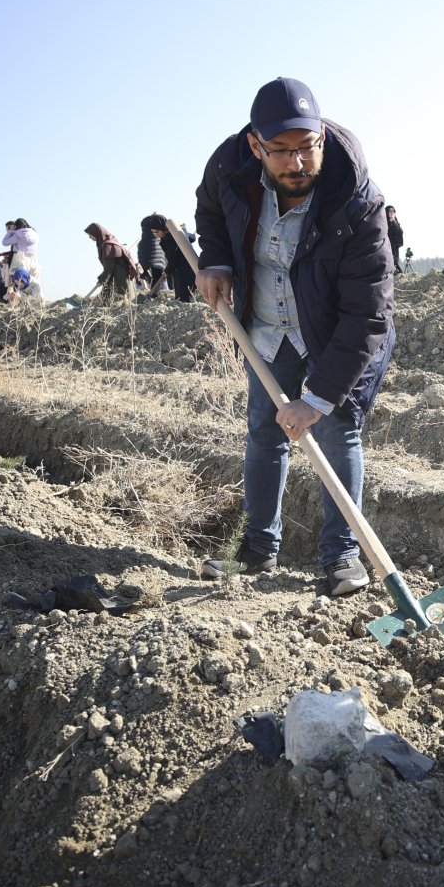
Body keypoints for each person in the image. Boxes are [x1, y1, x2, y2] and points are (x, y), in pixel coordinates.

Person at [194, 76, 394, 597]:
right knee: (264, 431)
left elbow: (367, 312)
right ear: (257, 146)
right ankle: (257, 549)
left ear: (321, 138)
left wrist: (318, 398)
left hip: (336, 333)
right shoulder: (228, 168)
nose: (297, 163)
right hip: (267, 326)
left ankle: (342, 559)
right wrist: (214, 259)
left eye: (306, 147)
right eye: (280, 151)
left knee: (335, 431)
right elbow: (209, 208)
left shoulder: (356, 201)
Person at [85, 223, 137, 301]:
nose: (89, 237)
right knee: (106, 301)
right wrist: (102, 279)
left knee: (112, 302)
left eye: (90, 234)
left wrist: (101, 279)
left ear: (96, 233)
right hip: (117, 277)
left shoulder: (107, 245)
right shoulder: (108, 242)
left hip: (120, 279)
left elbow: (109, 268)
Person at [2, 219, 44, 301]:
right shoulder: (35, 234)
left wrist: (10, 231)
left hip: (20, 260)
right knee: (33, 280)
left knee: (20, 282)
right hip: (33, 260)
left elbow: (5, 242)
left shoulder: (18, 235)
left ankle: (23, 300)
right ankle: (37, 298)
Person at [137, 213, 170, 297]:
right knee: (158, 273)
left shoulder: (145, 228)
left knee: (145, 272)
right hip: (156, 254)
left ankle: (150, 291)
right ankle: (154, 294)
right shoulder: (157, 227)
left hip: (144, 252)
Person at [385, 205, 406, 274]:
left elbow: (400, 232)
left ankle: (396, 273)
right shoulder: (384, 222)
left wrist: (394, 222)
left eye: (393, 211)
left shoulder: (396, 222)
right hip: (386, 245)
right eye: (390, 211)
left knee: (395, 260)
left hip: (394, 245)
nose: (392, 213)